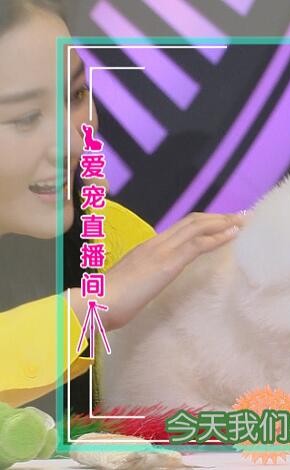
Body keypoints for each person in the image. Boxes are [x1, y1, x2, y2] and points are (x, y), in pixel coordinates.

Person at [0, 0, 244, 412]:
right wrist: (89, 308)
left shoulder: (112, 237)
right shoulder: (118, 279)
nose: (75, 143)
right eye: (26, 118)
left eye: (77, 94)